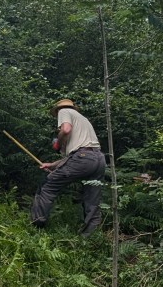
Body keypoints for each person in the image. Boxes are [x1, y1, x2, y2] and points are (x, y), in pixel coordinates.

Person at [30, 98, 106, 233]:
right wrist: (52, 165)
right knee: (92, 199)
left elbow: (65, 130)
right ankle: (90, 237)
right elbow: (74, 156)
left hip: (83, 158)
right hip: (98, 159)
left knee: (47, 185)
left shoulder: (64, 110)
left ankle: (37, 226)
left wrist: (58, 142)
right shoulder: (83, 120)